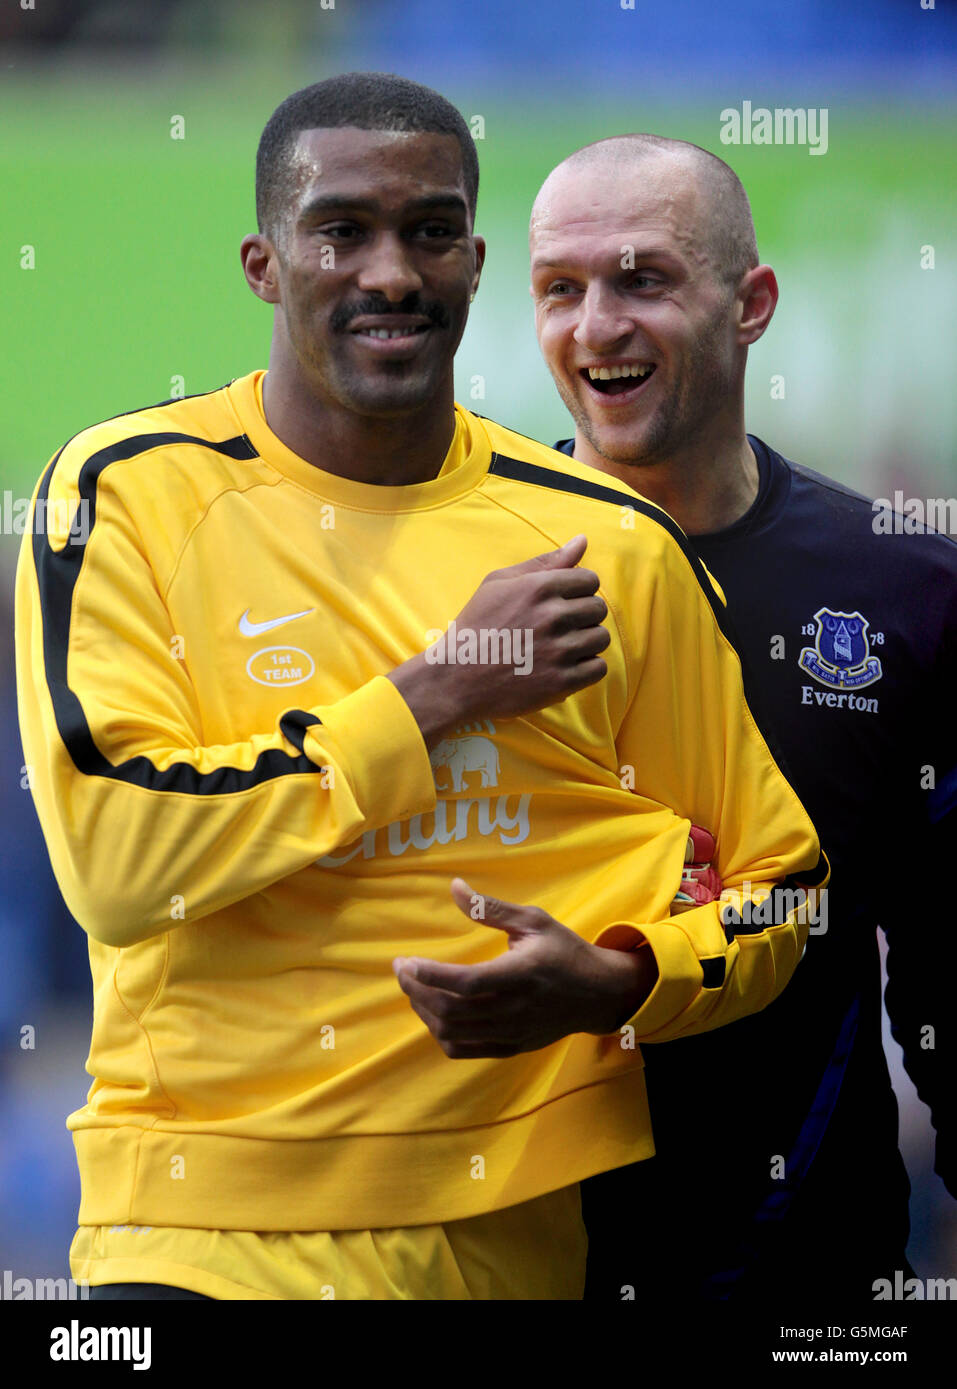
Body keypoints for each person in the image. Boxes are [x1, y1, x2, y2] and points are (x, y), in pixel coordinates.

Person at [15, 80, 825, 1303]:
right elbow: (125, 864)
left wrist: (625, 980)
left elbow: (789, 896)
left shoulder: (606, 543)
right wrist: (441, 687)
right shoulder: (125, 493)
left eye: (431, 231)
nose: (390, 271)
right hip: (185, 1246)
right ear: (264, 263)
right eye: (341, 230)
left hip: (511, 1245)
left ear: (475, 260)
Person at [524, 133, 955, 1300]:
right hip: (514, 1273)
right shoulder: (464, 579)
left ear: (751, 302)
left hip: (809, 1277)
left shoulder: (907, 590)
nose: (595, 325)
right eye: (559, 289)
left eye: (643, 279)